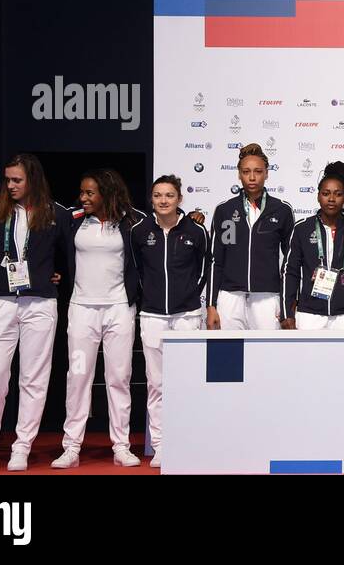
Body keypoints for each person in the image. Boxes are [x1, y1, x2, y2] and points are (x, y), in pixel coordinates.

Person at [0, 153, 69, 472]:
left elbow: (70, 256)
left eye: (17, 180)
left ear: (33, 180)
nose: (11, 185)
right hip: (0, 300)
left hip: (40, 302)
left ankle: (22, 446)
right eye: (8, 180)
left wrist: (55, 275)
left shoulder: (56, 213)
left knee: (34, 379)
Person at [53, 169, 146, 469]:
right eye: (82, 192)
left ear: (106, 193)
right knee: (78, 377)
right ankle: (71, 447)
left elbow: (164, 212)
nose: (83, 197)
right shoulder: (74, 218)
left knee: (118, 379)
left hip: (118, 309)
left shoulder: (130, 221)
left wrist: (191, 215)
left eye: (90, 193)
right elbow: (44, 208)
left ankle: (121, 445)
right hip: (82, 310)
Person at [130, 174, 210, 467]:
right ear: (151, 199)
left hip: (187, 315)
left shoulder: (197, 230)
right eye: (158, 195)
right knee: (157, 383)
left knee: (187, 382)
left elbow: (205, 269)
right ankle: (162, 445)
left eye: (169, 195)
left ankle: (188, 441)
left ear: (179, 199)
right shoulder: (139, 231)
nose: (163, 200)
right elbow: (137, 271)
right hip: (152, 315)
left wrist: (190, 296)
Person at [205, 143, 294, 330]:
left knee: (268, 354)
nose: (252, 177)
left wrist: (290, 301)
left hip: (267, 297)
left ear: (267, 173)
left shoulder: (282, 210)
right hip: (229, 296)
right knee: (229, 354)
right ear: (239, 174)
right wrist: (211, 305)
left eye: (258, 171)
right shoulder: (224, 210)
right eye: (246, 171)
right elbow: (216, 260)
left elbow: (291, 262)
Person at [281, 162, 344, 330]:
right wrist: (287, 312)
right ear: (318, 196)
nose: (331, 199)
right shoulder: (302, 228)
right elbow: (290, 272)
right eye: (326, 193)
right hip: (309, 314)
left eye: (338, 194)